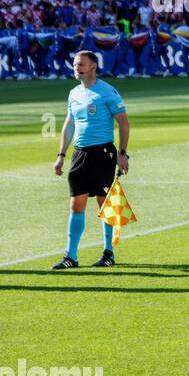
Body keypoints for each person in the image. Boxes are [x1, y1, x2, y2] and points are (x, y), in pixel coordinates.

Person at [50, 51, 130, 269]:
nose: (76, 67)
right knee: (76, 204)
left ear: (93, 66)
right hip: (80, 154)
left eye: (81, 64)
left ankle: (108, 253)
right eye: (75, 64)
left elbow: (123, 122)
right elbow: (69, 124)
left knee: (105, 204)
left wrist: (122, 154)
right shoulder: (74, 93)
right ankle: (71, 257)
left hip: (103, 154)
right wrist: (61, 155)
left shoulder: (107, 91)